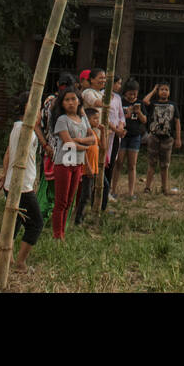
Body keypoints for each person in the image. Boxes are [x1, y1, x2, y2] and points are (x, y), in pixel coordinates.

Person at [0, 101, 44, 273]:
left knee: (15, 221)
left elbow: (8, 152)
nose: (40, 114)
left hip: (15, 183)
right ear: (27, 109)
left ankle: (7, 258)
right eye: (37, 110)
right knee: (36, 223)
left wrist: (4, 174)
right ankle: (20, 263)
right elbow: (10, 152)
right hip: (21, 186)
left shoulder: (18, 127)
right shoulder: (24, 129)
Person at [50, 90, 96, 240]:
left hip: (78, 163)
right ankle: (57, 234)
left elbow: (92, 138)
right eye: (67, 100)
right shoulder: (62, 120)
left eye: (73, 99)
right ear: (62, 104)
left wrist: (80, 141)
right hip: (64, 163)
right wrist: (84, 146)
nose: (71, 102)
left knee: (70, 200)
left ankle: (63, 231)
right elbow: (68, 142)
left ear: (79, 101)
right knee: (61, 201)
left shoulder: (83, 119)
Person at [74, 67, 106, 225]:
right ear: (91, 79)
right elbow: (99, 103)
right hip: (86, 163)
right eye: (100, 78)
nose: (103, 80)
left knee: (91, 188)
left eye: (105, 78)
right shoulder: (88, 93)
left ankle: (91, 212)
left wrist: (104, 131)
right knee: (84, 191)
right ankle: (78, 217)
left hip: (95, 155)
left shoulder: (95, 133)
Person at [141, 81, 181, 195]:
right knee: (151, 163)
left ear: (169, 92)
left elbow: (177, 121)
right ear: (158, 92)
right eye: (162, 89)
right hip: (154, 137)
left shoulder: (173, 105)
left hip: (167, 138)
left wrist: (178, 138)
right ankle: (147, 187)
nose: (164, 92)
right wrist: (153, 90)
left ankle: (164, 188)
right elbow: (145, 101)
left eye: (166, 90)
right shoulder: (153, 104)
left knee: (165, 165)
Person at [101, 75, 125, 211]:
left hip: (116, 135)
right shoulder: (102, 96)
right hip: (107, 134)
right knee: (104, 162)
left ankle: (107, 191)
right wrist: (114, 129)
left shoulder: (117, 98)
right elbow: (102, 116)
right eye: (118, 83)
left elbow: (121, 114)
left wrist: (121, 126)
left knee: (112, 164)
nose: (119, 86)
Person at [118, 80, 145, 198]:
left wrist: (138, 112)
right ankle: (113, 190)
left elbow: (144, 121)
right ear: (125, 93)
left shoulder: (140, 103)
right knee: (118, 163)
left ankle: (131, 192)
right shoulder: (120, 102)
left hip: (135, 136)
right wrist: (126, 114)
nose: (132, 96)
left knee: (132, 165)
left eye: (135, 94)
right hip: (122, 135)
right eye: (130, 94)